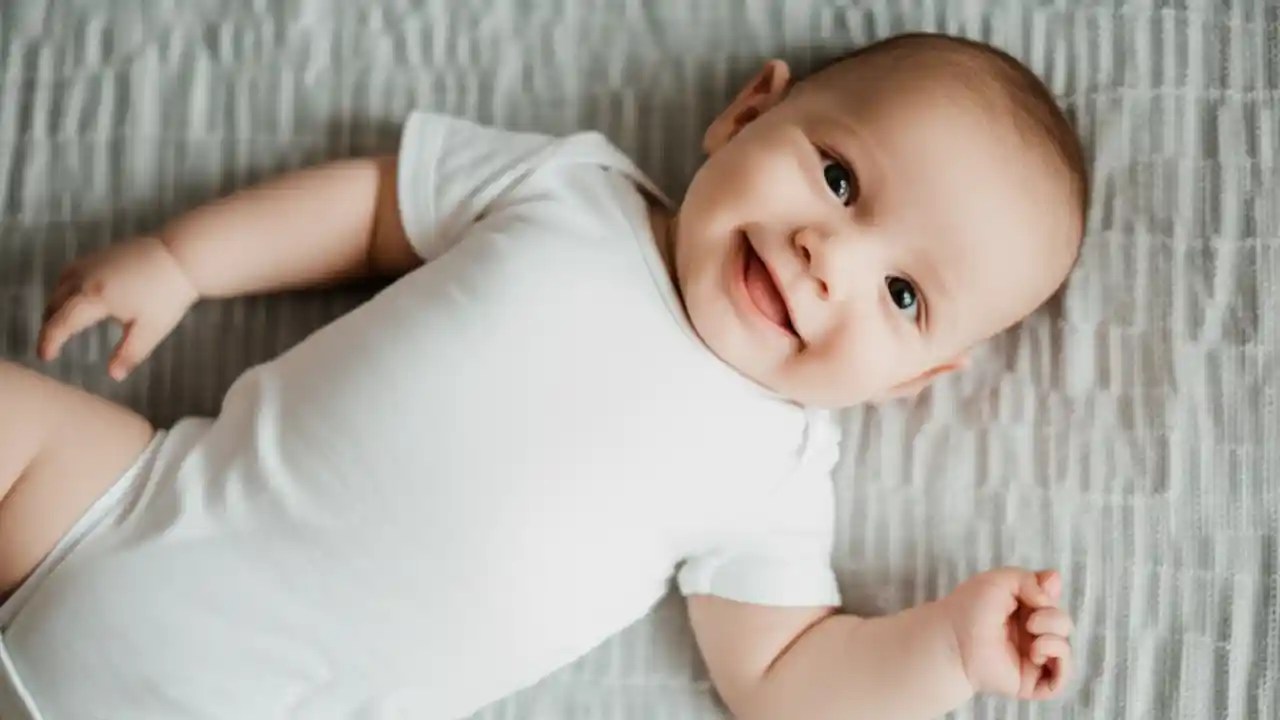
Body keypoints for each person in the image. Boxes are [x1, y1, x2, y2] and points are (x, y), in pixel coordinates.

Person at [0, 33, 1085, 719]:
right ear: (749, 113)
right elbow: (376, 208)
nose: (829, 257)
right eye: (838, 177)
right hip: (123, 513)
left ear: (915, 382)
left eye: (901, 294)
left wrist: (945, 651)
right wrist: (188, 260)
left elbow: (783, 682)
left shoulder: (777, 471)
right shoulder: (577, 187)